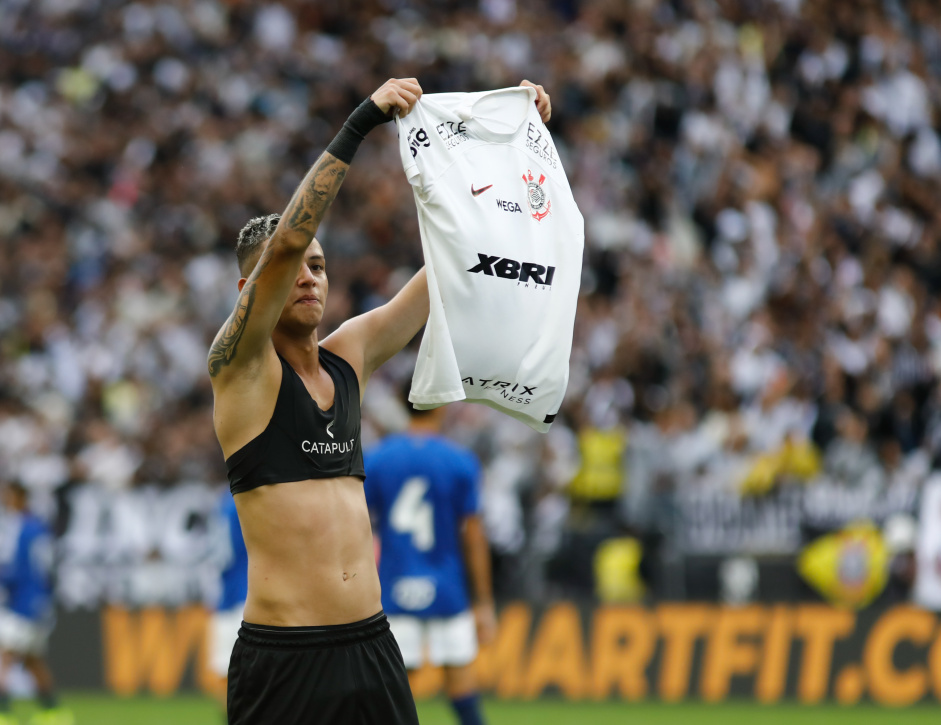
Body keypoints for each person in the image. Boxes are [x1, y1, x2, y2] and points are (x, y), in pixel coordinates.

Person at [207, 78, 551, 724]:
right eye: (293, 269)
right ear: (249, 288)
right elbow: (286, 243)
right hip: (284, 656)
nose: (308, 277)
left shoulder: (349, 355)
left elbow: (453, 262)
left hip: (370, 643)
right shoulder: (240, 368)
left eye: (319, 267)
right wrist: (361, 122)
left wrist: (514, 145)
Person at [364, 400, 495, 725]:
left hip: (394, 587)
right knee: (462, 688)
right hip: (447, 587)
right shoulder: (460, 460)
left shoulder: (378, 458)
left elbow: (358, 526)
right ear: (440, 407)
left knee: (391, 695)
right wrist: (483, 601)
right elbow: (474, 537)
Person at [0, 482, 73, 725]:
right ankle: (54, 712)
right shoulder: (40, 527)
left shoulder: (19, 528)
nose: (5, 500)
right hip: (40, 600)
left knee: (4, 655)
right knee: (33, 660)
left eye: (8, 496)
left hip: (21, 600)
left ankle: (3, 713)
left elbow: (15, 567)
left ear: (20, 498)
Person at [206, 490, 247, 718]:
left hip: (228, 594)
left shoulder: (224, 501)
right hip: (248, 592)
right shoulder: (246, 496)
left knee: (226, 673)